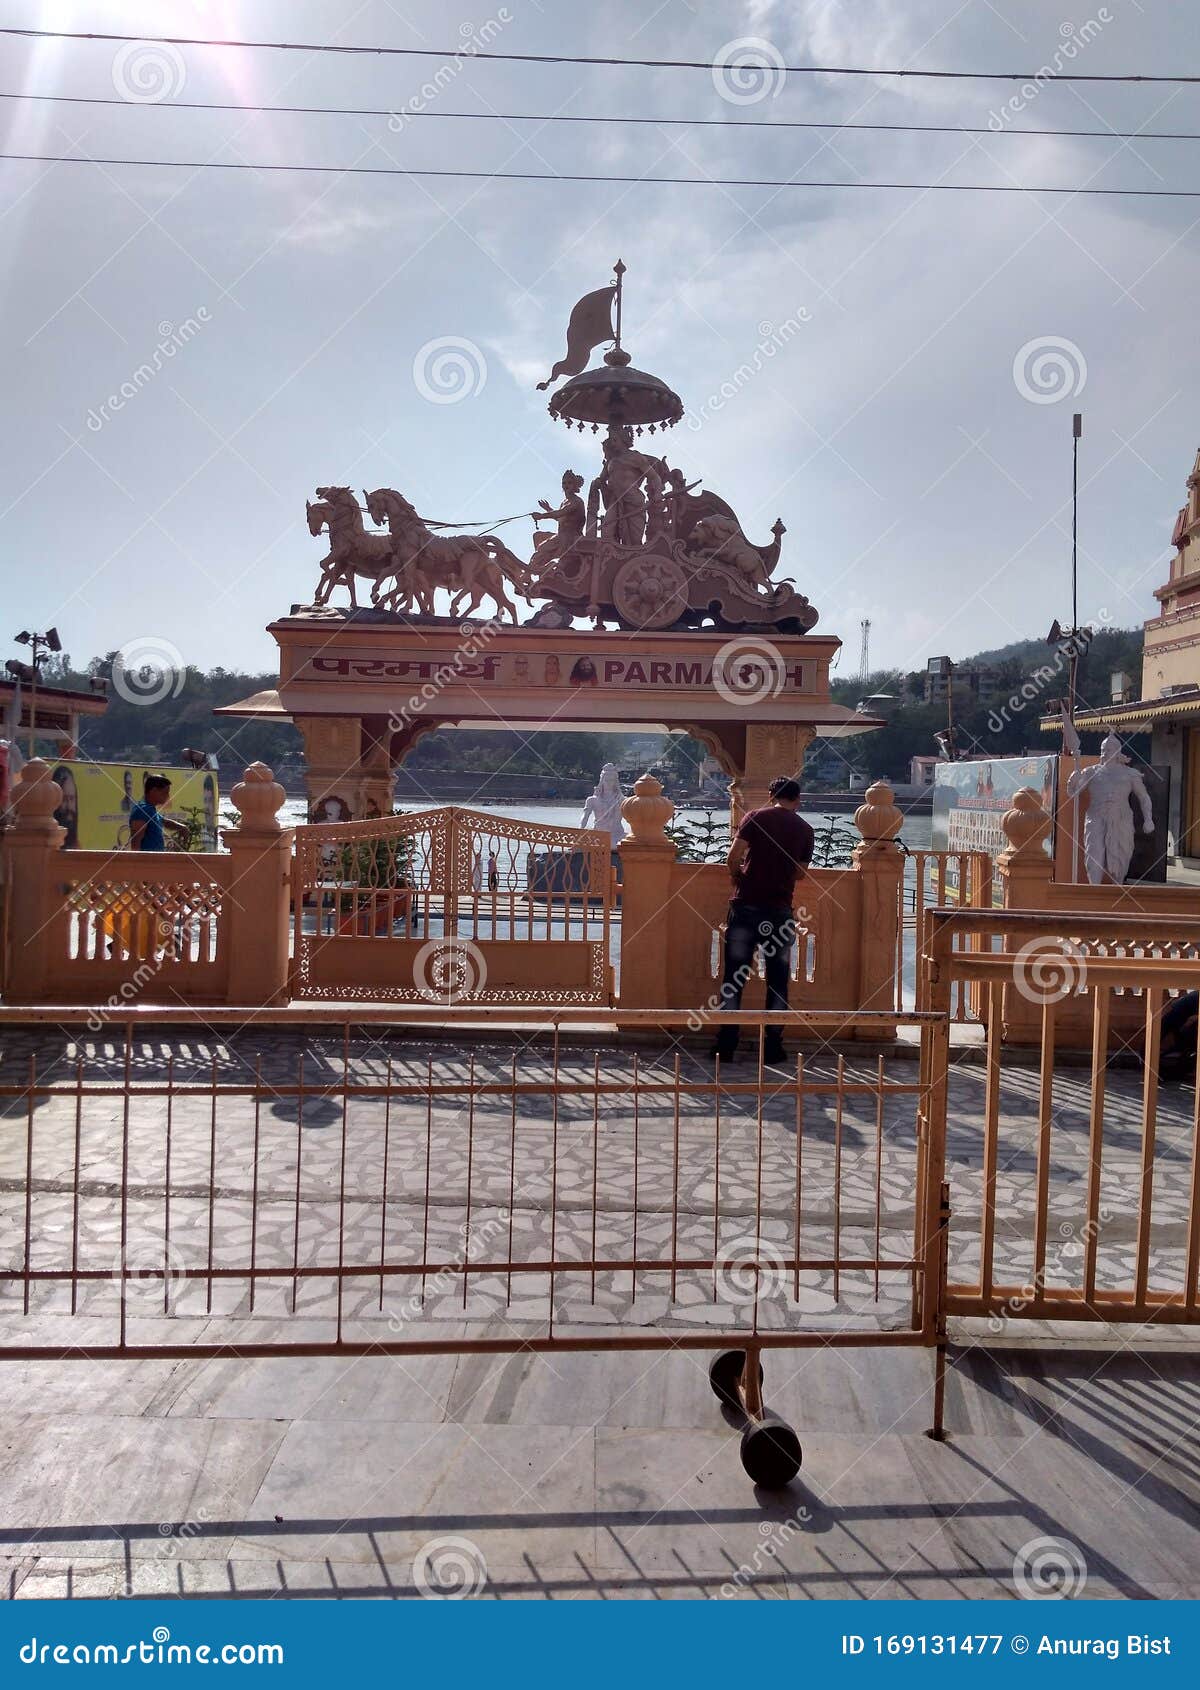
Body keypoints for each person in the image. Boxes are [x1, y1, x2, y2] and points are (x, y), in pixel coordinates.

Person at [713, 777, 814, 1066]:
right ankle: (772, 1047)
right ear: (798, 800)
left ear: (771, 796)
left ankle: (726, 1045)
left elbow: (733, 857)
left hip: (746, 907)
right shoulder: (805, 829)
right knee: (778, 981)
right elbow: (799, 874)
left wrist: (739, 878)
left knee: (733, 978)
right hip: (780, 910)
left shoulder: (754, 817)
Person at [129, 774, 189, 851]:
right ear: (153, 791)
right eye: (165, 792)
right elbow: (135, 842)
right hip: (148, 862)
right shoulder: (142, 810)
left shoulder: (150, 809)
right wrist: (138, 862)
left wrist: (181, 827)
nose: (168, 796)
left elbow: (163, 821)